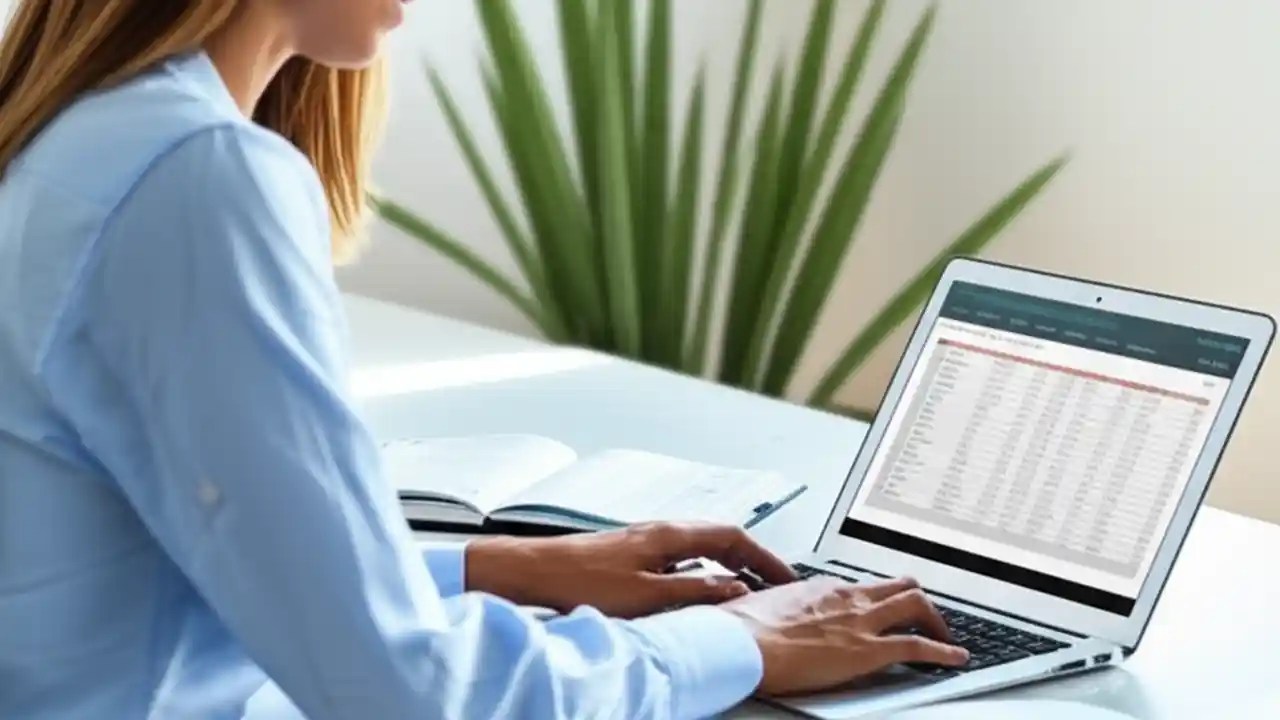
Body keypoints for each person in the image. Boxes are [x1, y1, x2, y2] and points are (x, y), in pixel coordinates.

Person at [0, 1, 968, 718]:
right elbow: (399, 691)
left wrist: (498, 568)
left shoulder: (76, 141)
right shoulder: (195, 179)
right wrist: (734, 641)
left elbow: (139, 586)